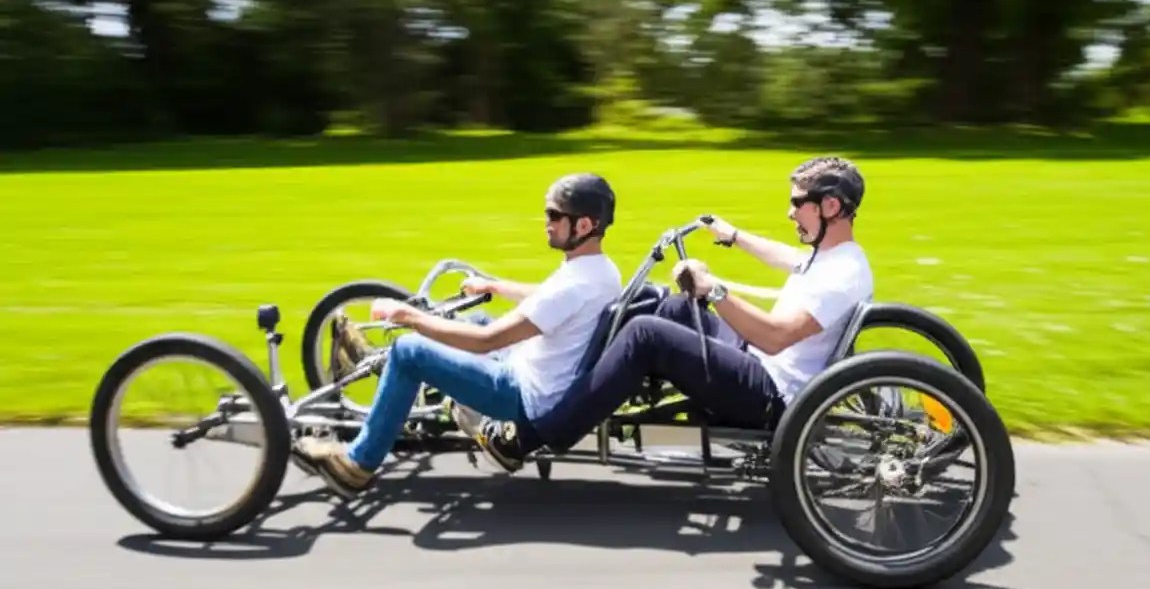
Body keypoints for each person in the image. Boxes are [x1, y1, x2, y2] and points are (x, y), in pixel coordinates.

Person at [462, 156, 874, 473]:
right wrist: (731, 235)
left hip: (773, 394)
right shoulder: (831, 256)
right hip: (759, 363)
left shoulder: (842, 275)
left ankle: (531, 436)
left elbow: (775, 337)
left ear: (830, 206)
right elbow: (790, 259)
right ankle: (569, 385)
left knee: (646, 334)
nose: (790, 213)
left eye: (798, 203)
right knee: (664, 302)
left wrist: (714, 290)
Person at [293, 172, 623, 496]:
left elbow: (487, 341)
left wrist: (409, 316)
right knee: (474, 319)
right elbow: (546, 297)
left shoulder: (573, 286)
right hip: (531, 369)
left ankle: (357, 465)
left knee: (410, 352)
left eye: (554, 215)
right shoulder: (599, 270)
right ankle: (377, 364)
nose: (546, 222)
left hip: (519, 394)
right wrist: (495, 286)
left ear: (583, 225)